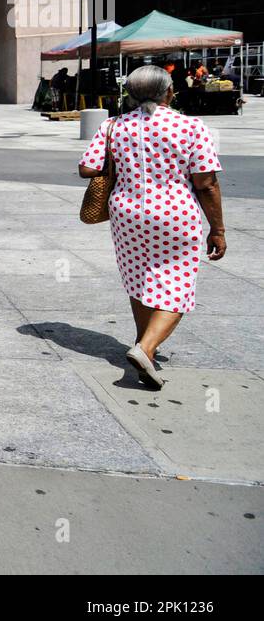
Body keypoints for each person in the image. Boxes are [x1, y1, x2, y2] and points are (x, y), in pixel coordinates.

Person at [78, 65, 227, 390]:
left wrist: (122, 158)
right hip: (175, 212)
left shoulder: (113, 126)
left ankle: (145, 342)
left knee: (138, 276)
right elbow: (206, 183)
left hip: (127, 212)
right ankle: (145, 348)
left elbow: (87, 169)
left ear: (130, 95)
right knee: (178, 283)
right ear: (169, 92)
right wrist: (217, 228)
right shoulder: (190, 127)